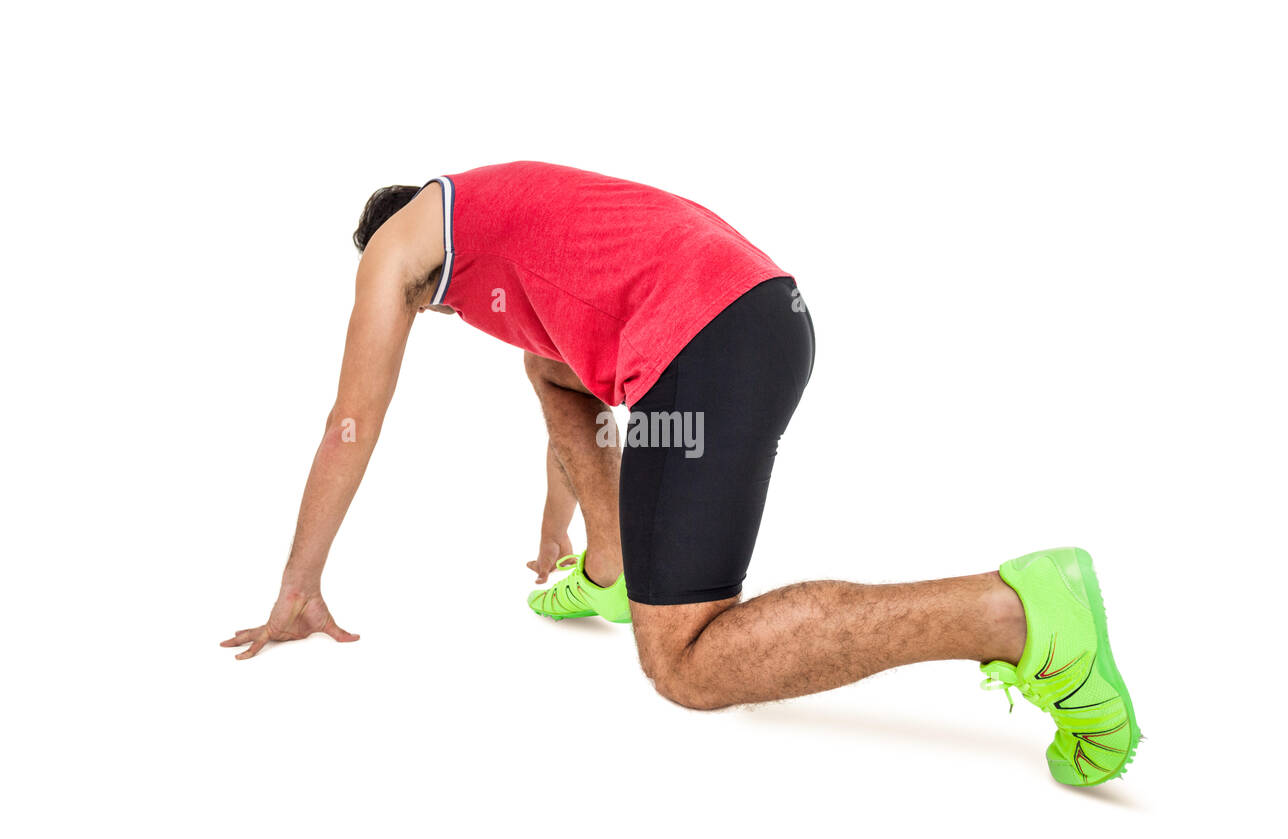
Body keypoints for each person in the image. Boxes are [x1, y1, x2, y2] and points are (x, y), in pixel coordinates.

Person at [224, 161, 1140, 786]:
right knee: (545, 366)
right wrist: (561, 525)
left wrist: (299, 584)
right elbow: (571, 382)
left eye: (407, 305)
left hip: (708, 344)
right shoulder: (505, 231)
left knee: (687, 667)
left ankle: (1016, 612)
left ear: (391, 248)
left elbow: (352, 422)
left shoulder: (402, 245)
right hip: (750, 322)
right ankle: (611, 571)